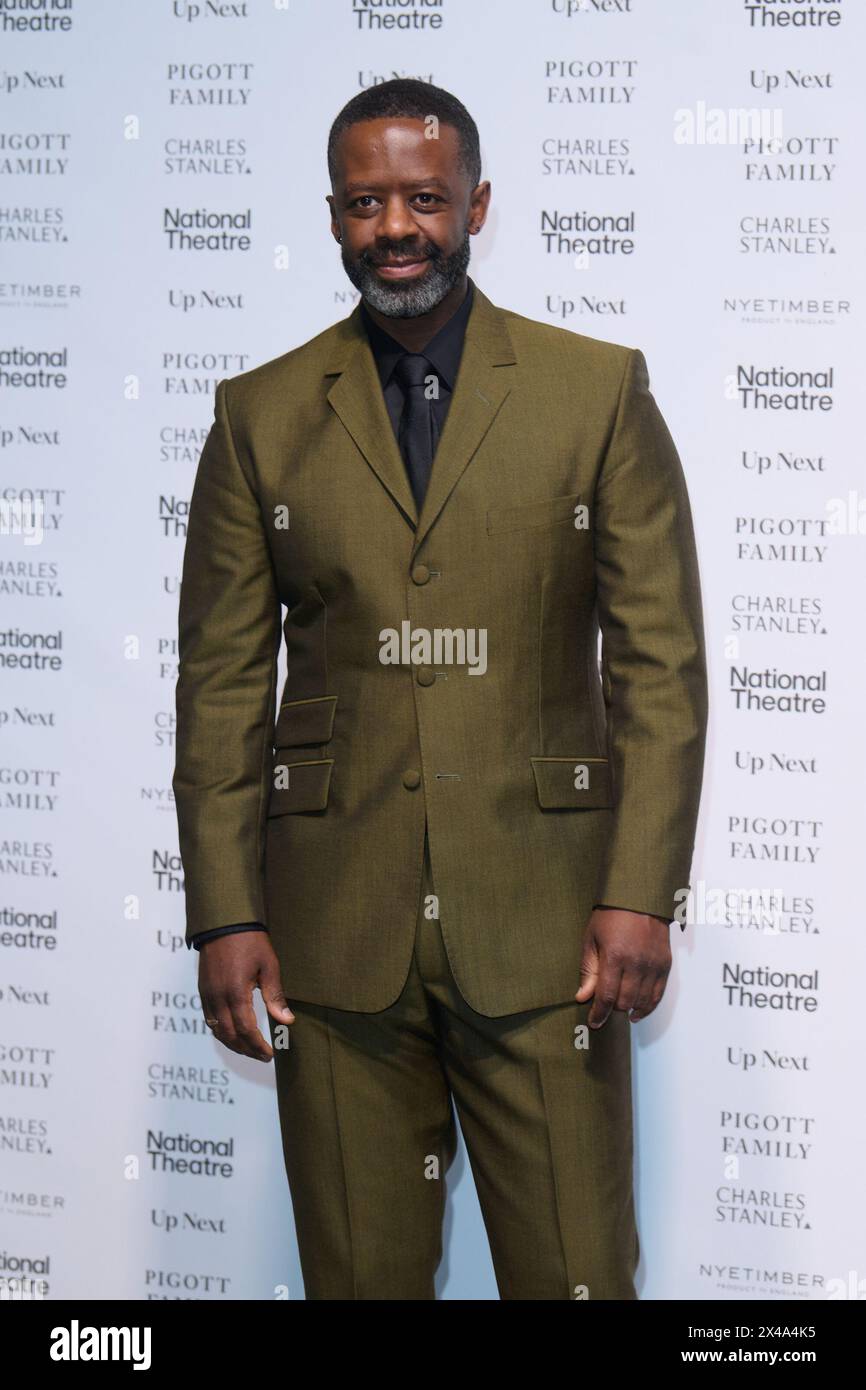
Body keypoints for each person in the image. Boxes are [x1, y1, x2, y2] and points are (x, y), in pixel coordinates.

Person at [172, 78, 709, 1301]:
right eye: (367, 202)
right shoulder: (257, 418)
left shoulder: (594, 389)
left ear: (477, 203)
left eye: (423, 196)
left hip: (548, 934)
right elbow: (219, 680)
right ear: (331, 217)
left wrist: (637, 890)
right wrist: (223, 911)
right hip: (330, 936)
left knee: (576, 1274)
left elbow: (658, 664)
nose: (396, 226)